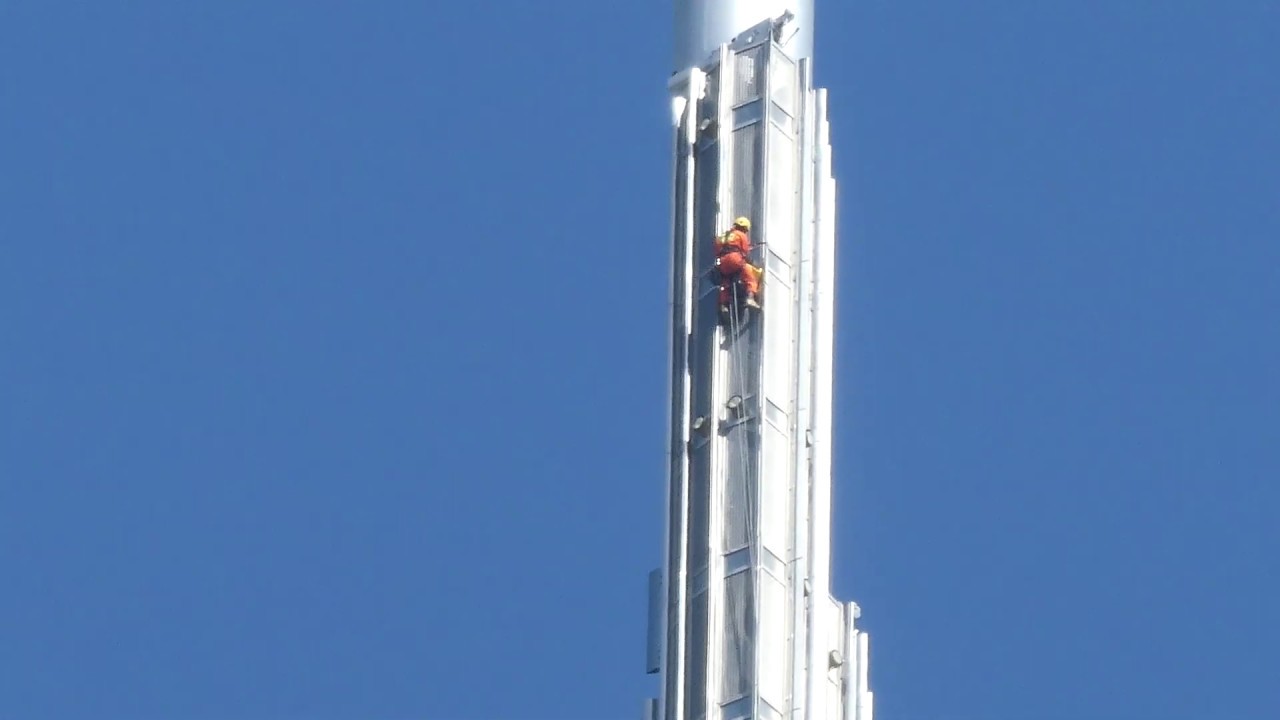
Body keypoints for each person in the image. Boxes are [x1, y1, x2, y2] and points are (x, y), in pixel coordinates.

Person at [714, 216, 761, 310]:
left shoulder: (724, 235)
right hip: (735, 258)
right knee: (749, 275)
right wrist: (752, 262)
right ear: (745, 228)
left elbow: (717, 249)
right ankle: (750, 297)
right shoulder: (741, 235)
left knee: (726, 281)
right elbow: (745, 251)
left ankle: (723, 305)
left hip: (723, 261)